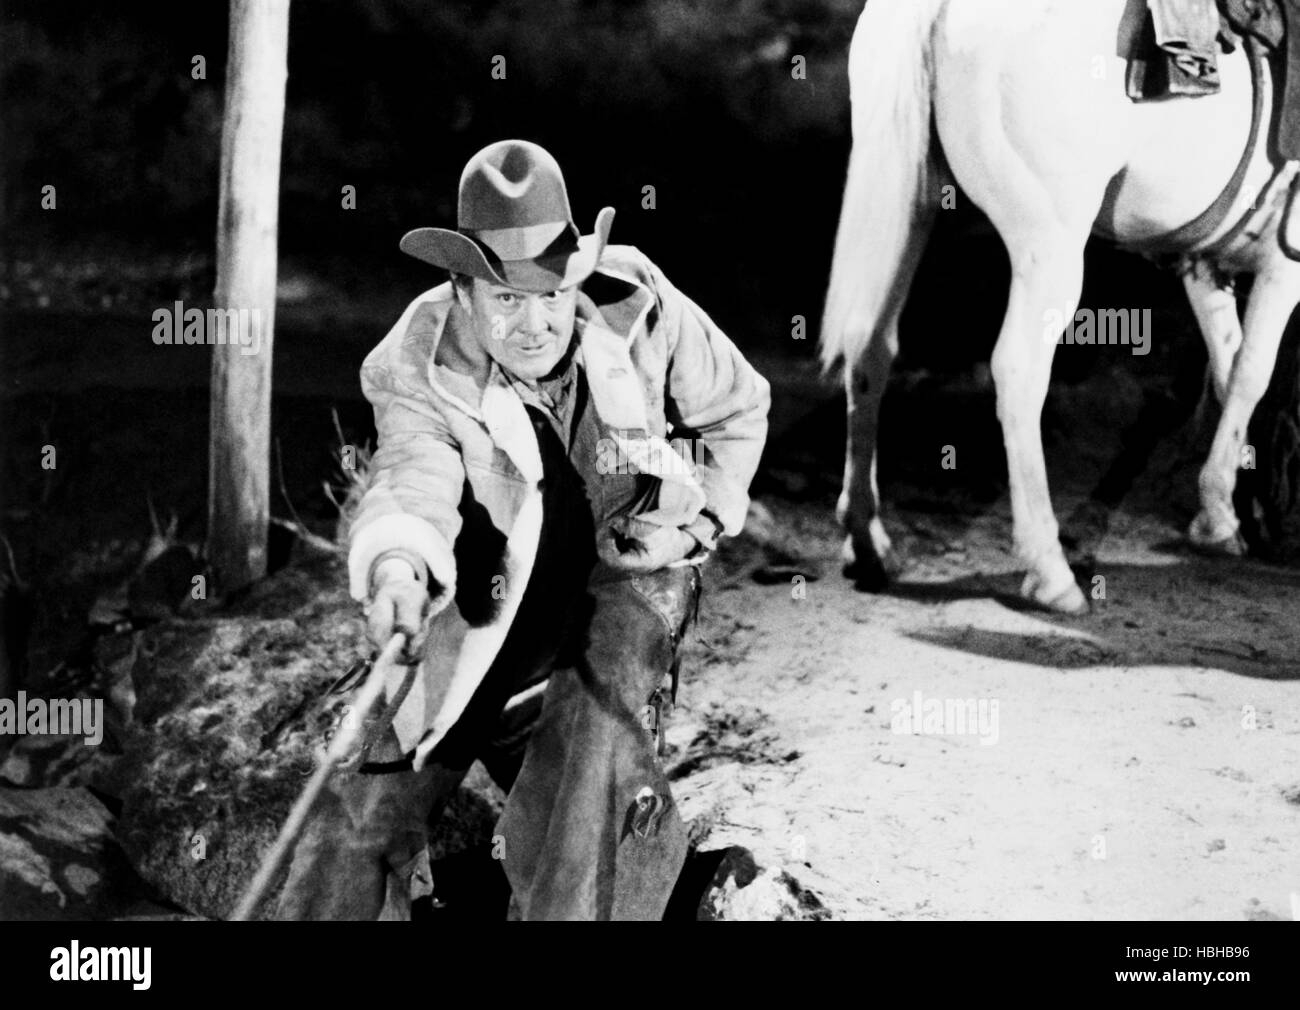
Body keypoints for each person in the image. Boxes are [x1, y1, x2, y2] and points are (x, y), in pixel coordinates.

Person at [276, 139, 770, 920]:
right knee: (366, 796)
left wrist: (699, 521)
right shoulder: (423, 355)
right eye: (506, 299)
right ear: (462, 291)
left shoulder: (639, 301)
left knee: (583, 756)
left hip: (630, 569)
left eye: (549, 293)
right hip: (492, 580)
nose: (534, 323)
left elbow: (739, 409)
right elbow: (412, 475)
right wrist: (399, 566)